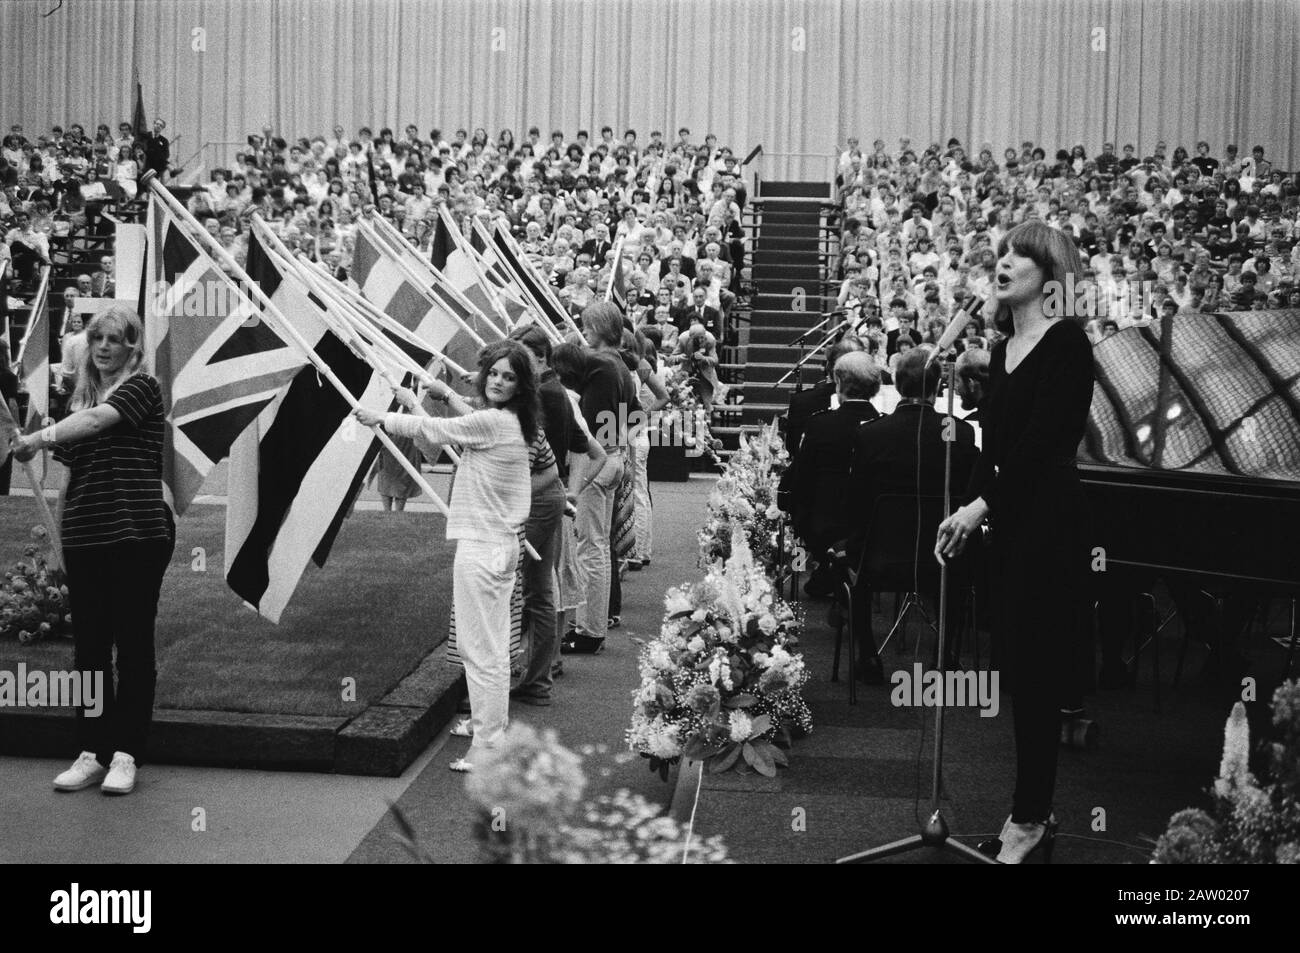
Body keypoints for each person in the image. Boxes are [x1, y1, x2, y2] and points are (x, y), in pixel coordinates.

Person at [935, 221, 1095, 864]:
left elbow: (1043, 447)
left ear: (1050, 274)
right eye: (1000, 253)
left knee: (1036, 679)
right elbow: (994, 445)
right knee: (1016, 672)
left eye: (1019, 256)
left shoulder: (1067, 345)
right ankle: (1030, 810)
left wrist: (980, 506)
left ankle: (1031, 817)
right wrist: (958, 512)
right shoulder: (1000, 350)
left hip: (1049, 524)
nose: (1002, 263)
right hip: (1006, 523)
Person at [12, 307, 175, 796]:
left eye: (115, 340)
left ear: (133, 347)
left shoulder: (143, 388)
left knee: (133, 644)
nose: (104, 347)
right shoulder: (78, 404)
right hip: (86, 537)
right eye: (96, 338)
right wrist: (61, 541)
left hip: (138, 535)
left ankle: (126, 754)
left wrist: (36, 438)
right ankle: (92, 750)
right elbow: (66, 481)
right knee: (89, 651)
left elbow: (102, 421)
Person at [355, 340, 536, 772]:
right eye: (494, 373)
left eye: (509, 377)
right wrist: (418, 401)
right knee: (489, 649)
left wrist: (381, 416)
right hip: (496, 546)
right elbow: (459, 422)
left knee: (482, 651)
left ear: (520, 386)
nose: (498, 381)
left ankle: (488, 745)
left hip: (484, 547)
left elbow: (438, 431)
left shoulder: (496, 422)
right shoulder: (509, 421)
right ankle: (490, 731)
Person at [788, 352, 882, 612]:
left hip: (825, 526)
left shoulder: (820, 424)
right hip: (875, 528)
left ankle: (833, 570)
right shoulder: (884, 425)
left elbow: (801, 478)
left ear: (839, 382)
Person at [561, 302, 629, 655]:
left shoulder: (602, 365)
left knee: (592, 548)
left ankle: (589, 630)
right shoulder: (619, 365)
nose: (583, 330)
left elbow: (600, 427)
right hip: (613, 457)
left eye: (588, 325)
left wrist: (580, 478)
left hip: (598, 461)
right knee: (598, 547)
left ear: (602, 326)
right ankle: (592, 626)